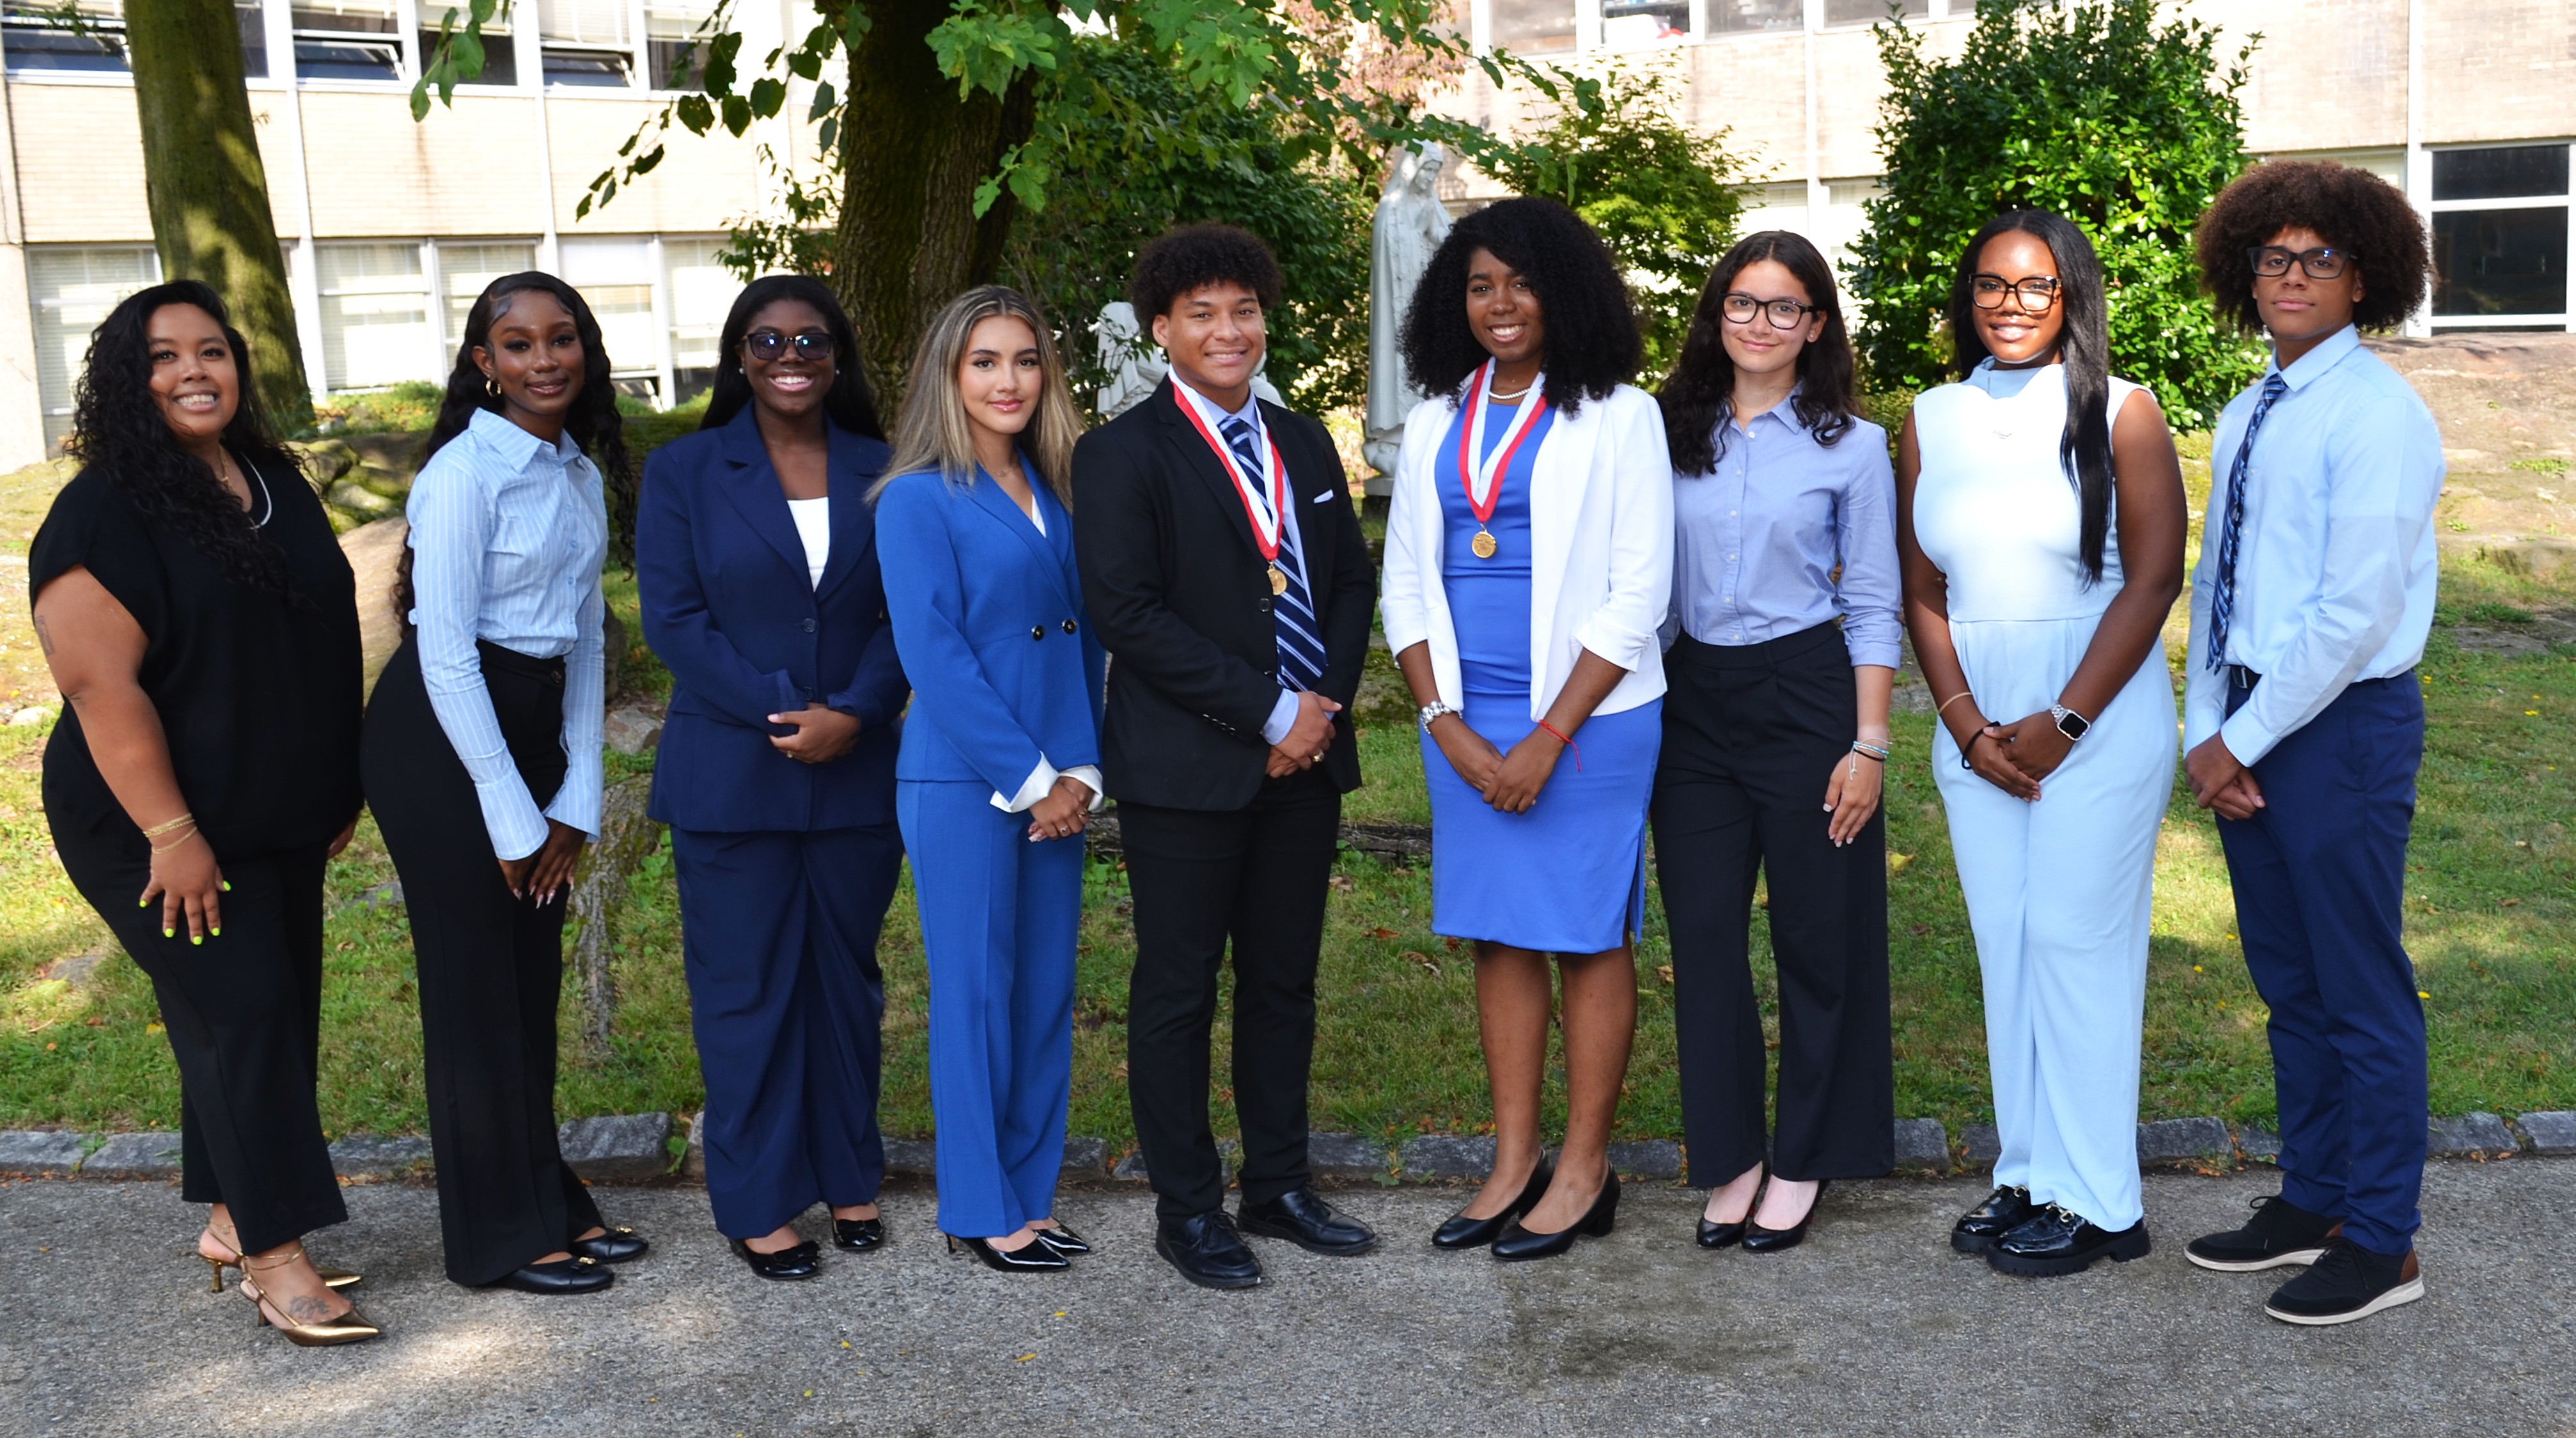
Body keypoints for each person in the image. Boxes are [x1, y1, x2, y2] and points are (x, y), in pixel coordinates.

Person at [29, 281, 375, 1345]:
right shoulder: (102, 509)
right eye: (165, 356)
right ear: (127, 383)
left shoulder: (268, 478)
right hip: (144, 820)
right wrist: (172, 836)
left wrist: (329, 787)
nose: (194, 371)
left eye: (213, 351)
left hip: (269, 810)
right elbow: (103, 689)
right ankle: (276, 1252)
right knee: (245, 1006)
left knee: (270, 1008)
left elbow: (312, 638)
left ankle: (233, 1214)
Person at [1072, 223, 1379, 1290]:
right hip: (1187, 770)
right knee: (1177, 992)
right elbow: (1129, 614)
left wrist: (1321, 705)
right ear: (1161, 329)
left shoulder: (1302, 442)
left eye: (1242, 309)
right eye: (1200, 312)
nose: (1226, 329)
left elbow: (1346, 581)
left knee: (1284, 983)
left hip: (1307, 758)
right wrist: (1267, 712)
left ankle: (1279, 1185)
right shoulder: (1117, 453)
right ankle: (1189, 1207)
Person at [1381, 196, 1673, 1262]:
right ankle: (1511, 1163)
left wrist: (1549, 735)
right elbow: (1405, 579)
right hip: (1464, 714)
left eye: (1520, 281)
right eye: (1478, 283)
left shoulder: (1618, 413)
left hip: (1587, 719)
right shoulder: (1430, 420)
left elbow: (1638, 591)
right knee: (1499, 933)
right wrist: (1442, 720)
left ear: (1564, 290)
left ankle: (1584, 1167)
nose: (1499, 303)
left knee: (1586, 932)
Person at [1898, 211, 2187, 1278]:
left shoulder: (2121, 410)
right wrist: (1966, 721)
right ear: (1966, 294)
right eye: (1989, 284)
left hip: (2093, 712)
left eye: (2034, 287)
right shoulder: (1930, 415)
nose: (2009, 304)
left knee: (2074, 942)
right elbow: (1919, 588)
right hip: (1976, 719)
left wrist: (2062, 721)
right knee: (2009, 949)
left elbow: (2154, 576)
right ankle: (2027, 1171)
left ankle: (2100, 1199)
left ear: (2070, 295)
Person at [2179, 161, 2442, 1327]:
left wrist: (2238, 734)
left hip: (2337, 729)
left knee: (2358, 988)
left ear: (2363, 275)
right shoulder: (2253, 406)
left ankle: (2382, 1239)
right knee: (2289, 983)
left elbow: (2354, 611)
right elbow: (2219, 582)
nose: (2290, 276)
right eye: (2271, 257)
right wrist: (2206, 730)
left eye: (2316, 258)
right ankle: (2314, 1198)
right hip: (2248, 719)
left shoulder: (2377, 413)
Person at [362, 272, 645, 1295]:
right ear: (484, 362)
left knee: (526, 988)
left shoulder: (575, 472)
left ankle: (545, 1197)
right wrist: (511, 808)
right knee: (476, 991)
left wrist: (574, 799)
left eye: (561, 338)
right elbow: (444, 657)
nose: (543, 359)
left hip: (531, 736)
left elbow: (580, 648)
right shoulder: (460, 473)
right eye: (517, 343)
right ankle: (496, 1238)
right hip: (443, 745)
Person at [635, 275, 908, 1282]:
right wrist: (782, 709)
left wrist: (860, 709)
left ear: (838, 356)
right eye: (766, 340)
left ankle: (848, 1172)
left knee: (845, 982)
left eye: (810, 339)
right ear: (737, 357)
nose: (790, 355)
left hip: (856, 772)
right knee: (745, 991)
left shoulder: (888, 469)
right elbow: (673, 617)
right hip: (731, 776)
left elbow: (908, 609)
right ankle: (757, 1199)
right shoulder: (684, 471)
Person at [1649, 231, 1897, 1254]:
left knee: (1816, 935)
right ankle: (1731, 1156)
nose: (1759, 323)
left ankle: (1803, 1157)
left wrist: (1868, 741)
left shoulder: (1855, 443)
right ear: (1716, 315)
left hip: (1805, 691)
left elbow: (1876, 599)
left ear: (1816, 324)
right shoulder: (1664, 430)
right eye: (1742, 303)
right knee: (1704, 935)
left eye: (1783, 306)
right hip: (1690, 700)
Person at [876, 286, 1105, 1274]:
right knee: (975, 994)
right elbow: (936, 657)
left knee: (1043, 992)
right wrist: (1033, 774)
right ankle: (978, 1205)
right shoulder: (917, 498)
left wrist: (1083, 771)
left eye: (1023, 359)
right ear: (948, 375)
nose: (1007, 380)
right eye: (984, 362)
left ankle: (1027, 1190)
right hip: (967, 781)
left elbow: (1090, 642)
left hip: (1066, 781)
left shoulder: (1063, 490)